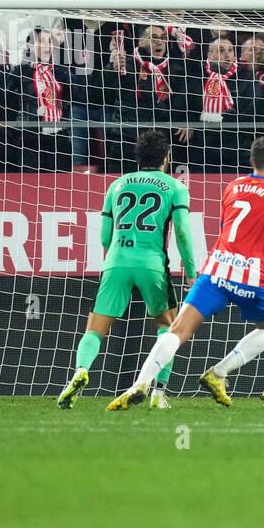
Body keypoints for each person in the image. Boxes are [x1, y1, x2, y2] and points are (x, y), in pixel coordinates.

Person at [110, 134, 264, 410]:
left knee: (177, 330)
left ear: (251, 160)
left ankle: (140, 383)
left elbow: (238, 229)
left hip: (216, 268)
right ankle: (219, 373)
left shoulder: (233, 186)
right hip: (249, 275)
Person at [57, 130, 198, 410]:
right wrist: (191, 272)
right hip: (151, 264)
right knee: (167, 328)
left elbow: (104, 237)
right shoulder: (175, 186)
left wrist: (118, 253)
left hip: (117, 260)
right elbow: (182, 231)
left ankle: (80, 371)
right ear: (166, 158)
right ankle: (158, 393)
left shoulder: (118, 185)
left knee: (95, 329)